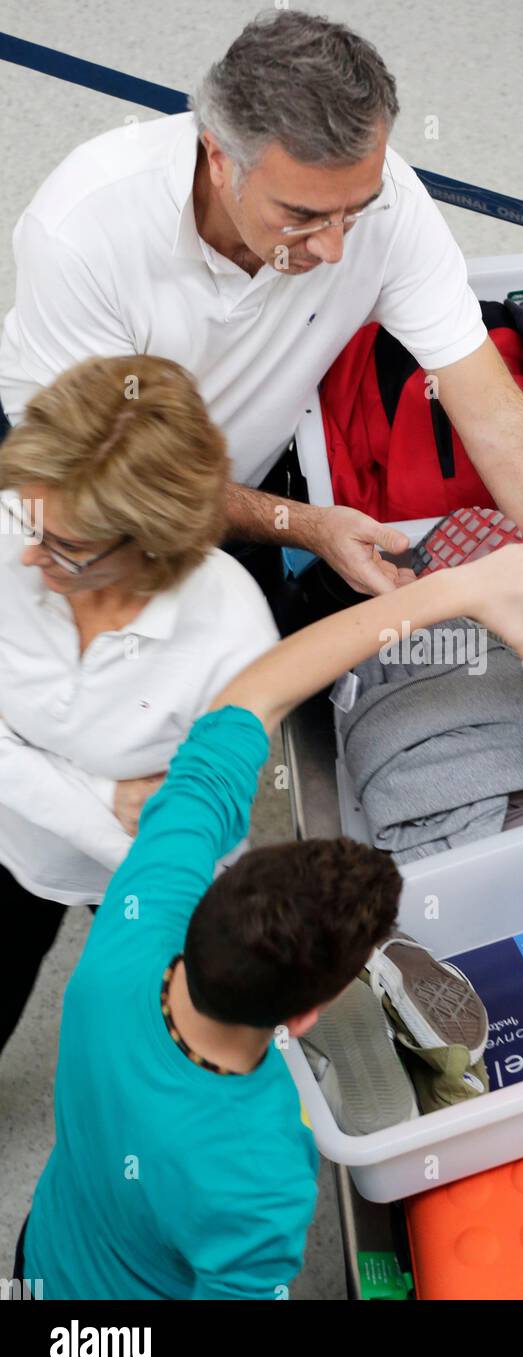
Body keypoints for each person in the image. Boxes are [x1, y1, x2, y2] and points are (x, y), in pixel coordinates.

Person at [0, 8, 523, 733]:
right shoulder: (85, 232)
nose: (337, 249)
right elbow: (111, 482)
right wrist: (305, 527)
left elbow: (494, 414)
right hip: (90, 494)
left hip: (239, 492)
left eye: (358, 209)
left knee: (236, 685)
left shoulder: (391, 211)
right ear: (219, 158)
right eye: (303, 216)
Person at [14, 538, 523, 1300]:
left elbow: (249, 698)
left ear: (210, 896)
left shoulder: (130, 930)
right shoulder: (263, 1168)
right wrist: (468, 586)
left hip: (48, 1256)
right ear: (310, 1012)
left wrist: (465, 589)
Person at [0, 353, 279, 1055]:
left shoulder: (234, 639)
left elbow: (195, 843)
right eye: (30, 522)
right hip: (15, 844)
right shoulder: (20, 524)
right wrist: (101, 796)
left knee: (153, 1040)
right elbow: (146, 822)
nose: (31, 557)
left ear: (155, 545)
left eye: (64, 547)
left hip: (140, 882)